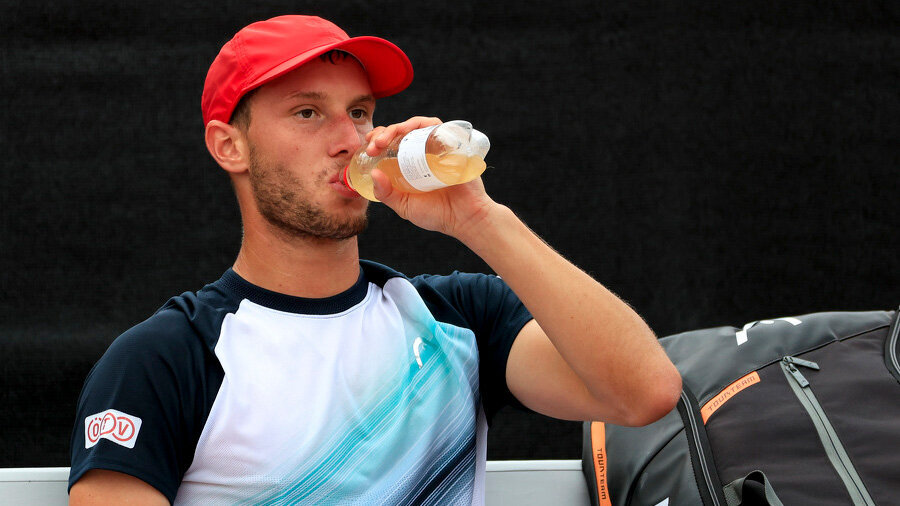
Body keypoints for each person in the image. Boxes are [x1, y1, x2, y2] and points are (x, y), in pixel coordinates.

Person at [68, 14, 681, 505]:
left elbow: (644, 393)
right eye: (308, 112)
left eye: (359, 112)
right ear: (230, 145)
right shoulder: (166, 357)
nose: (350, 139)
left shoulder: (458, 315)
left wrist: (479, 219)